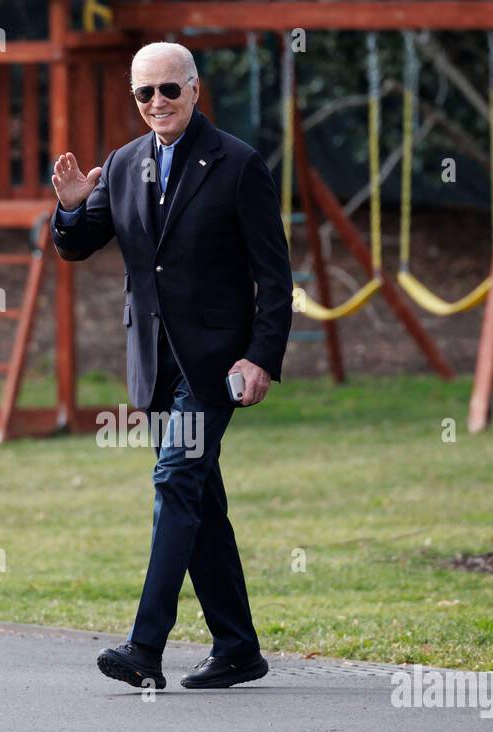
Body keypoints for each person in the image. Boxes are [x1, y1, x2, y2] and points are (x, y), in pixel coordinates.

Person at [50, 41, 292, 690]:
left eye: (168, 91)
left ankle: (145, 647)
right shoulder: (125, 165)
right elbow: (78, 245)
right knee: (200, 501)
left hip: (216, 365)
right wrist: (73, 206)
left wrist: (262, 356)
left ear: (195, 90)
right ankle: (238, 648)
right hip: (154, 364)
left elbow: (275, 275)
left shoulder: (238, 165)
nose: (156, 103)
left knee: (174, 484)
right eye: (144, 94)